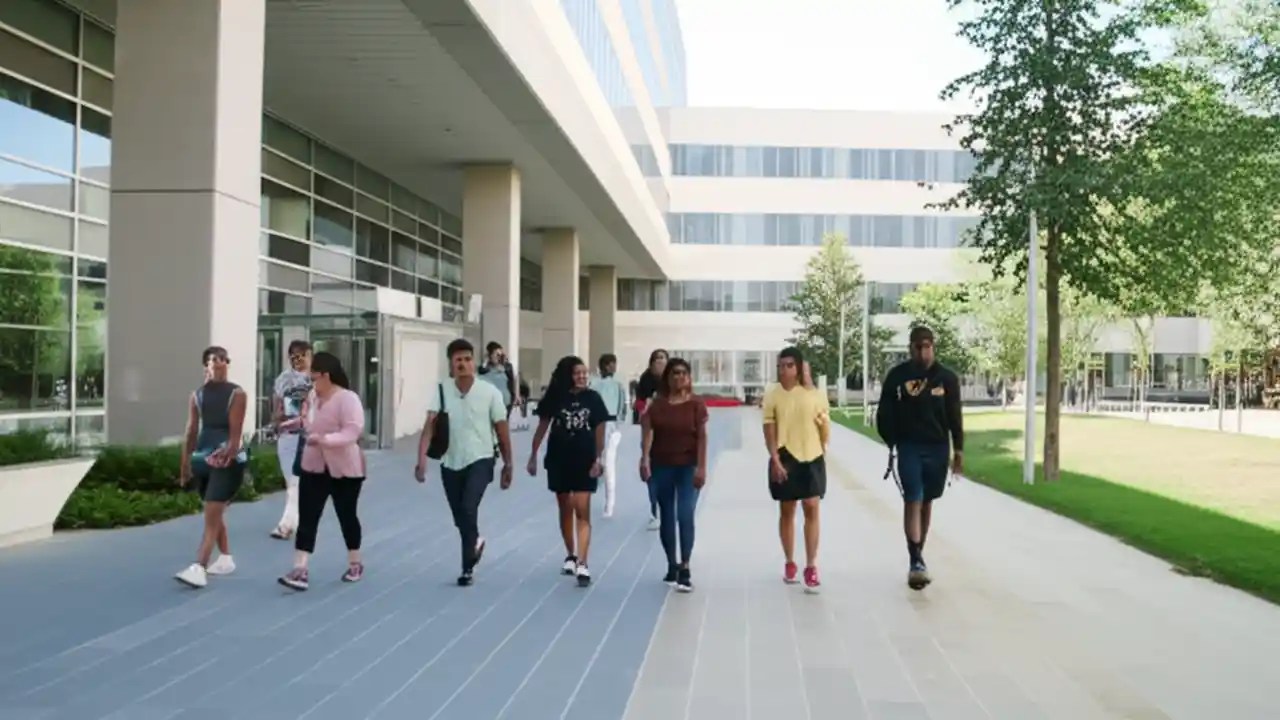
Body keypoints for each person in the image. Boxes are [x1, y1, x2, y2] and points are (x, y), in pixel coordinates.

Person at [416, 339, 514, 587]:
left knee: (469, 507)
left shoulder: (490, 392)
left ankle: (471, 553)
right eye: (458, 359)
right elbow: (430, 427)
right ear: (451, 364)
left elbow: (502, 429)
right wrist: (421, 460)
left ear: (474, 362)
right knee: (460, 516)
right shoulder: (442, 389)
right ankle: (468, 566)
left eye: (467, 359)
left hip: (481, 458)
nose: (463, 364)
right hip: (450, 461)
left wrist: (508, 464)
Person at [875, 325, 964, 590]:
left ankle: (919, 554)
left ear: (933, 347)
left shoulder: (946, 378)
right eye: (919, 347)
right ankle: (915, 559)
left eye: (928, 346)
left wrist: (958, 450)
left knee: (927, 502)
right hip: (909, 447)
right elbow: (884, 413)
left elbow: (954, 416)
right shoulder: (898, 376)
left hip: (937, 448)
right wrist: (893, 440)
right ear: (911, 348)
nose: (924, 352)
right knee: (912, 497)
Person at [278, 352, 368, 591]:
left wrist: (324, 439)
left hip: (345, 469)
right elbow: (309, 423)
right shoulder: (313, 398)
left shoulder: (348, 399)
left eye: (314, 378)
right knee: (308, 516)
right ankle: (300, 569)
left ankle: (355, 563)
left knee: (346, 515)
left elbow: (352, 431)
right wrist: (294, 424)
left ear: (326, 375)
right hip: (314, 466)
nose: (312, 383)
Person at [527, 355, 608, 587]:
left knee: (582, 509)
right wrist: (533, 455)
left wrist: (598, 459)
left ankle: (583, 562)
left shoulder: (594, 399)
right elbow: (542, 427)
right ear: (567, 376)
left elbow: (600, 429)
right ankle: (571, 554)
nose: (582, 376)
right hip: (559, 459)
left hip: (585, 460)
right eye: (577, 373)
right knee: (565, 507)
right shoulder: (556, 398)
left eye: (585, 372)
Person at [175, 346, 248, 589]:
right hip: (202, 459)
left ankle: (199, 567)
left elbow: (235, 436)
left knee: (211, 515)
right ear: (204, 366)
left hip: (226, 460)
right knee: (213, 513)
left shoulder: (237, 394)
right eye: (209, 361)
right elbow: (190, 431)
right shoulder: (197, 395)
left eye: (219, 360)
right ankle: (225, 558)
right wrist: (185, 464)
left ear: (227, 362)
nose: (214, 364)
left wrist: (227, 454)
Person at [761, 346, 829, 594]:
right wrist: (775, 458)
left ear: (799, 367)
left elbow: (824, 423)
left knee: (811, 506)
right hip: (785, 455)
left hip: (811, 456)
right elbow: (768, 426)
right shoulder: (773, 394)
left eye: (790, 365)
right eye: (781, 365)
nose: (784, 370)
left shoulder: (814, 394)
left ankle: (811, 566)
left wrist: (824, 448)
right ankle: (790, 560)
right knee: (787, 509)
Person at [640, 357, 708, 592]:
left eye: (683, 373)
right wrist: (645, 459)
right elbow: (647, 433)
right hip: (662, 466)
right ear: (667, 378)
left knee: (685, 513)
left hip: (688, 466)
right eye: (675, 373)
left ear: (689, 377)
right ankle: (672, 563)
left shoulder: (696, 405)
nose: (679, 377)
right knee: (667, 515)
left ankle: (685, 566)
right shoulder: (657, 406)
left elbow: (702, 437)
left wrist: (701, 467)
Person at [270, 340, 313, 540]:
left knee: (297, 482)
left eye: (302, 355)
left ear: (310, 355)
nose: (297, 359)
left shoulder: (318, 379)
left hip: (309, 437)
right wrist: (276, 422)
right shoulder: (283, 379)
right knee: (292, 481)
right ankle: (298, 520)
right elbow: (277, 405)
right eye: (293, 356)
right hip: (287, 436)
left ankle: (286, 525)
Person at [590, 353, 628, 518]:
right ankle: (607, 502)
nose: (614, 367)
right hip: (607, 425)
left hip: (606, 425)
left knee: (607, 461)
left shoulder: (604, 384)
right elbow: (624, 409)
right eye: (611, 364)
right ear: (605, 366)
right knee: (606, 461)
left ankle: (609, 502)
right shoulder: (600, 384)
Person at [634, 349, 668, 531]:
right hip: (650, 431)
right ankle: (654, 511)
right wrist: (647, 404)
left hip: (671, 433)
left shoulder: (673, 379)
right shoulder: (646, 380)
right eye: (657, 359)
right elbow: (638, 403)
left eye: (663, 359)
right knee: (651, 471)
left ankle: (667, 509)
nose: (660, 362)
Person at [479, 341, 519, 419]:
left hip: (506, 402)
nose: (498, 357)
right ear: (490, 355)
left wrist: (516, 395)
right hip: (490, 403)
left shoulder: (506, 367)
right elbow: (481, 371)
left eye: (500, 355)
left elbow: (514, 380)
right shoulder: (486, 368)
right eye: (496, 354)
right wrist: (486, 360)